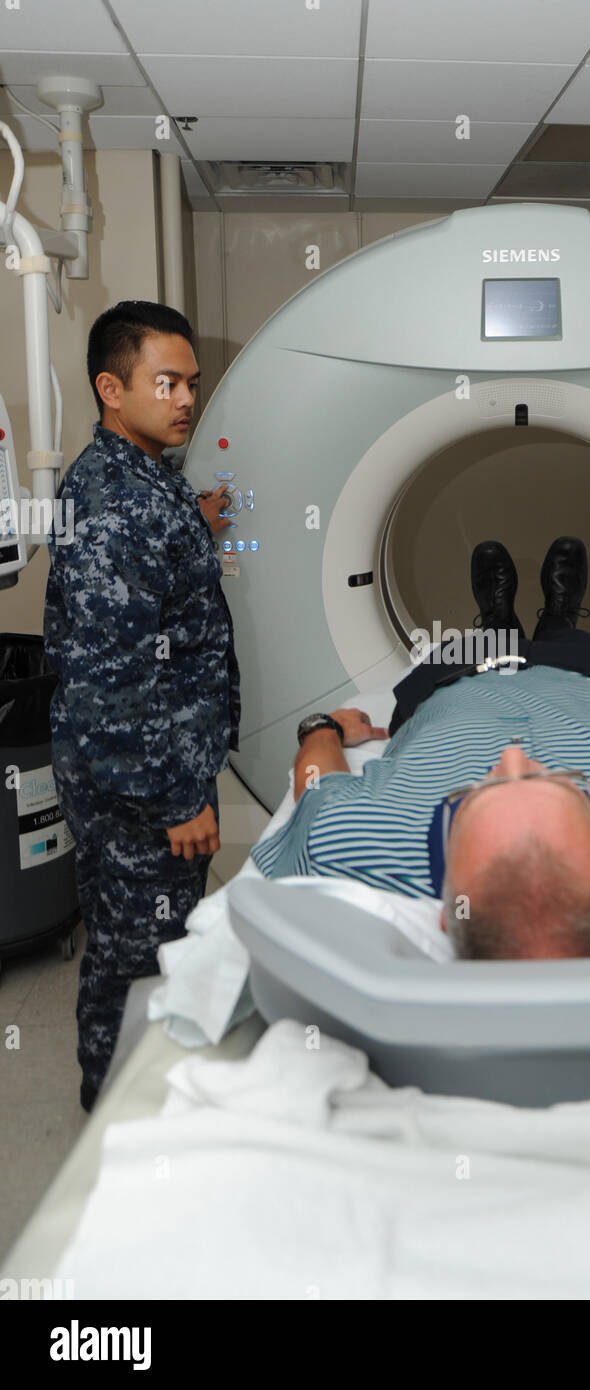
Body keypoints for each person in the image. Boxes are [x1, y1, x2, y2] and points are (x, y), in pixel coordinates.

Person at [252, 537, 590, 959]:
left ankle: (498, 621)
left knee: (470, 645)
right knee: (583, 646)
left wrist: (325, 727)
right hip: (589, 684)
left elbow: (315, 785)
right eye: (560, 784)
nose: (511, 756)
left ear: (446, 911)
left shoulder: (347, 846)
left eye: (474, 796)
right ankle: (557, 619)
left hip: (459, 684)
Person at [43, 301, 240, 1111]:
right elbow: (111, 695)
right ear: (111, 389)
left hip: (152, 766)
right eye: (167, 382)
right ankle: (120, 1123)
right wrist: (177, 802)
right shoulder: (120, 511)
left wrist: (192, 524)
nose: (187, 397)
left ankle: (131, 1106)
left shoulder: (140, 479)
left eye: (192, 382)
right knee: (139, 964)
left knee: (143, 950)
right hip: (141, 787)